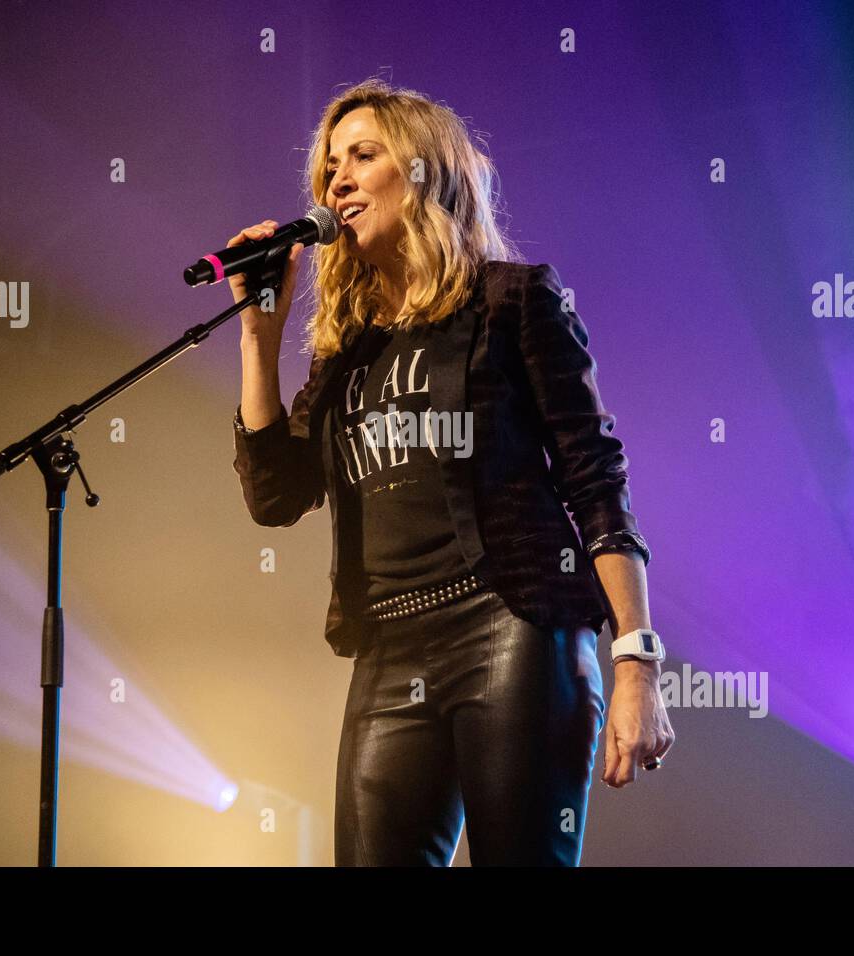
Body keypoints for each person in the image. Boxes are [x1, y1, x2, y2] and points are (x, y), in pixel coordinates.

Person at [228, 78, 673, 866]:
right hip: (389, 646)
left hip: (509, 626)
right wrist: (257, 341)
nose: (337, 181)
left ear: (429, 173)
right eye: (330, 166)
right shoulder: (346, 353)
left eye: (364, 156)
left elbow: (597, 481)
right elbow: (275, 496)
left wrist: (635, 662)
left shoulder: (513, 302)